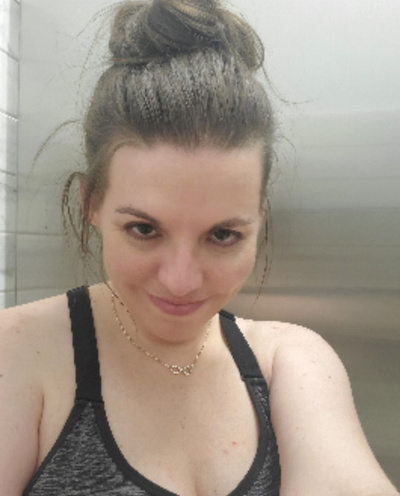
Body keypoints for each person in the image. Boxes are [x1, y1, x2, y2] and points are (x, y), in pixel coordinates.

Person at [0, 0, 398, 495]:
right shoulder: (18, 353)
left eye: (223, 235)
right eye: (143, 229)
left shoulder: (291, 364)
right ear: (92, 204)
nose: (181, 280)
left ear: (259, 220)